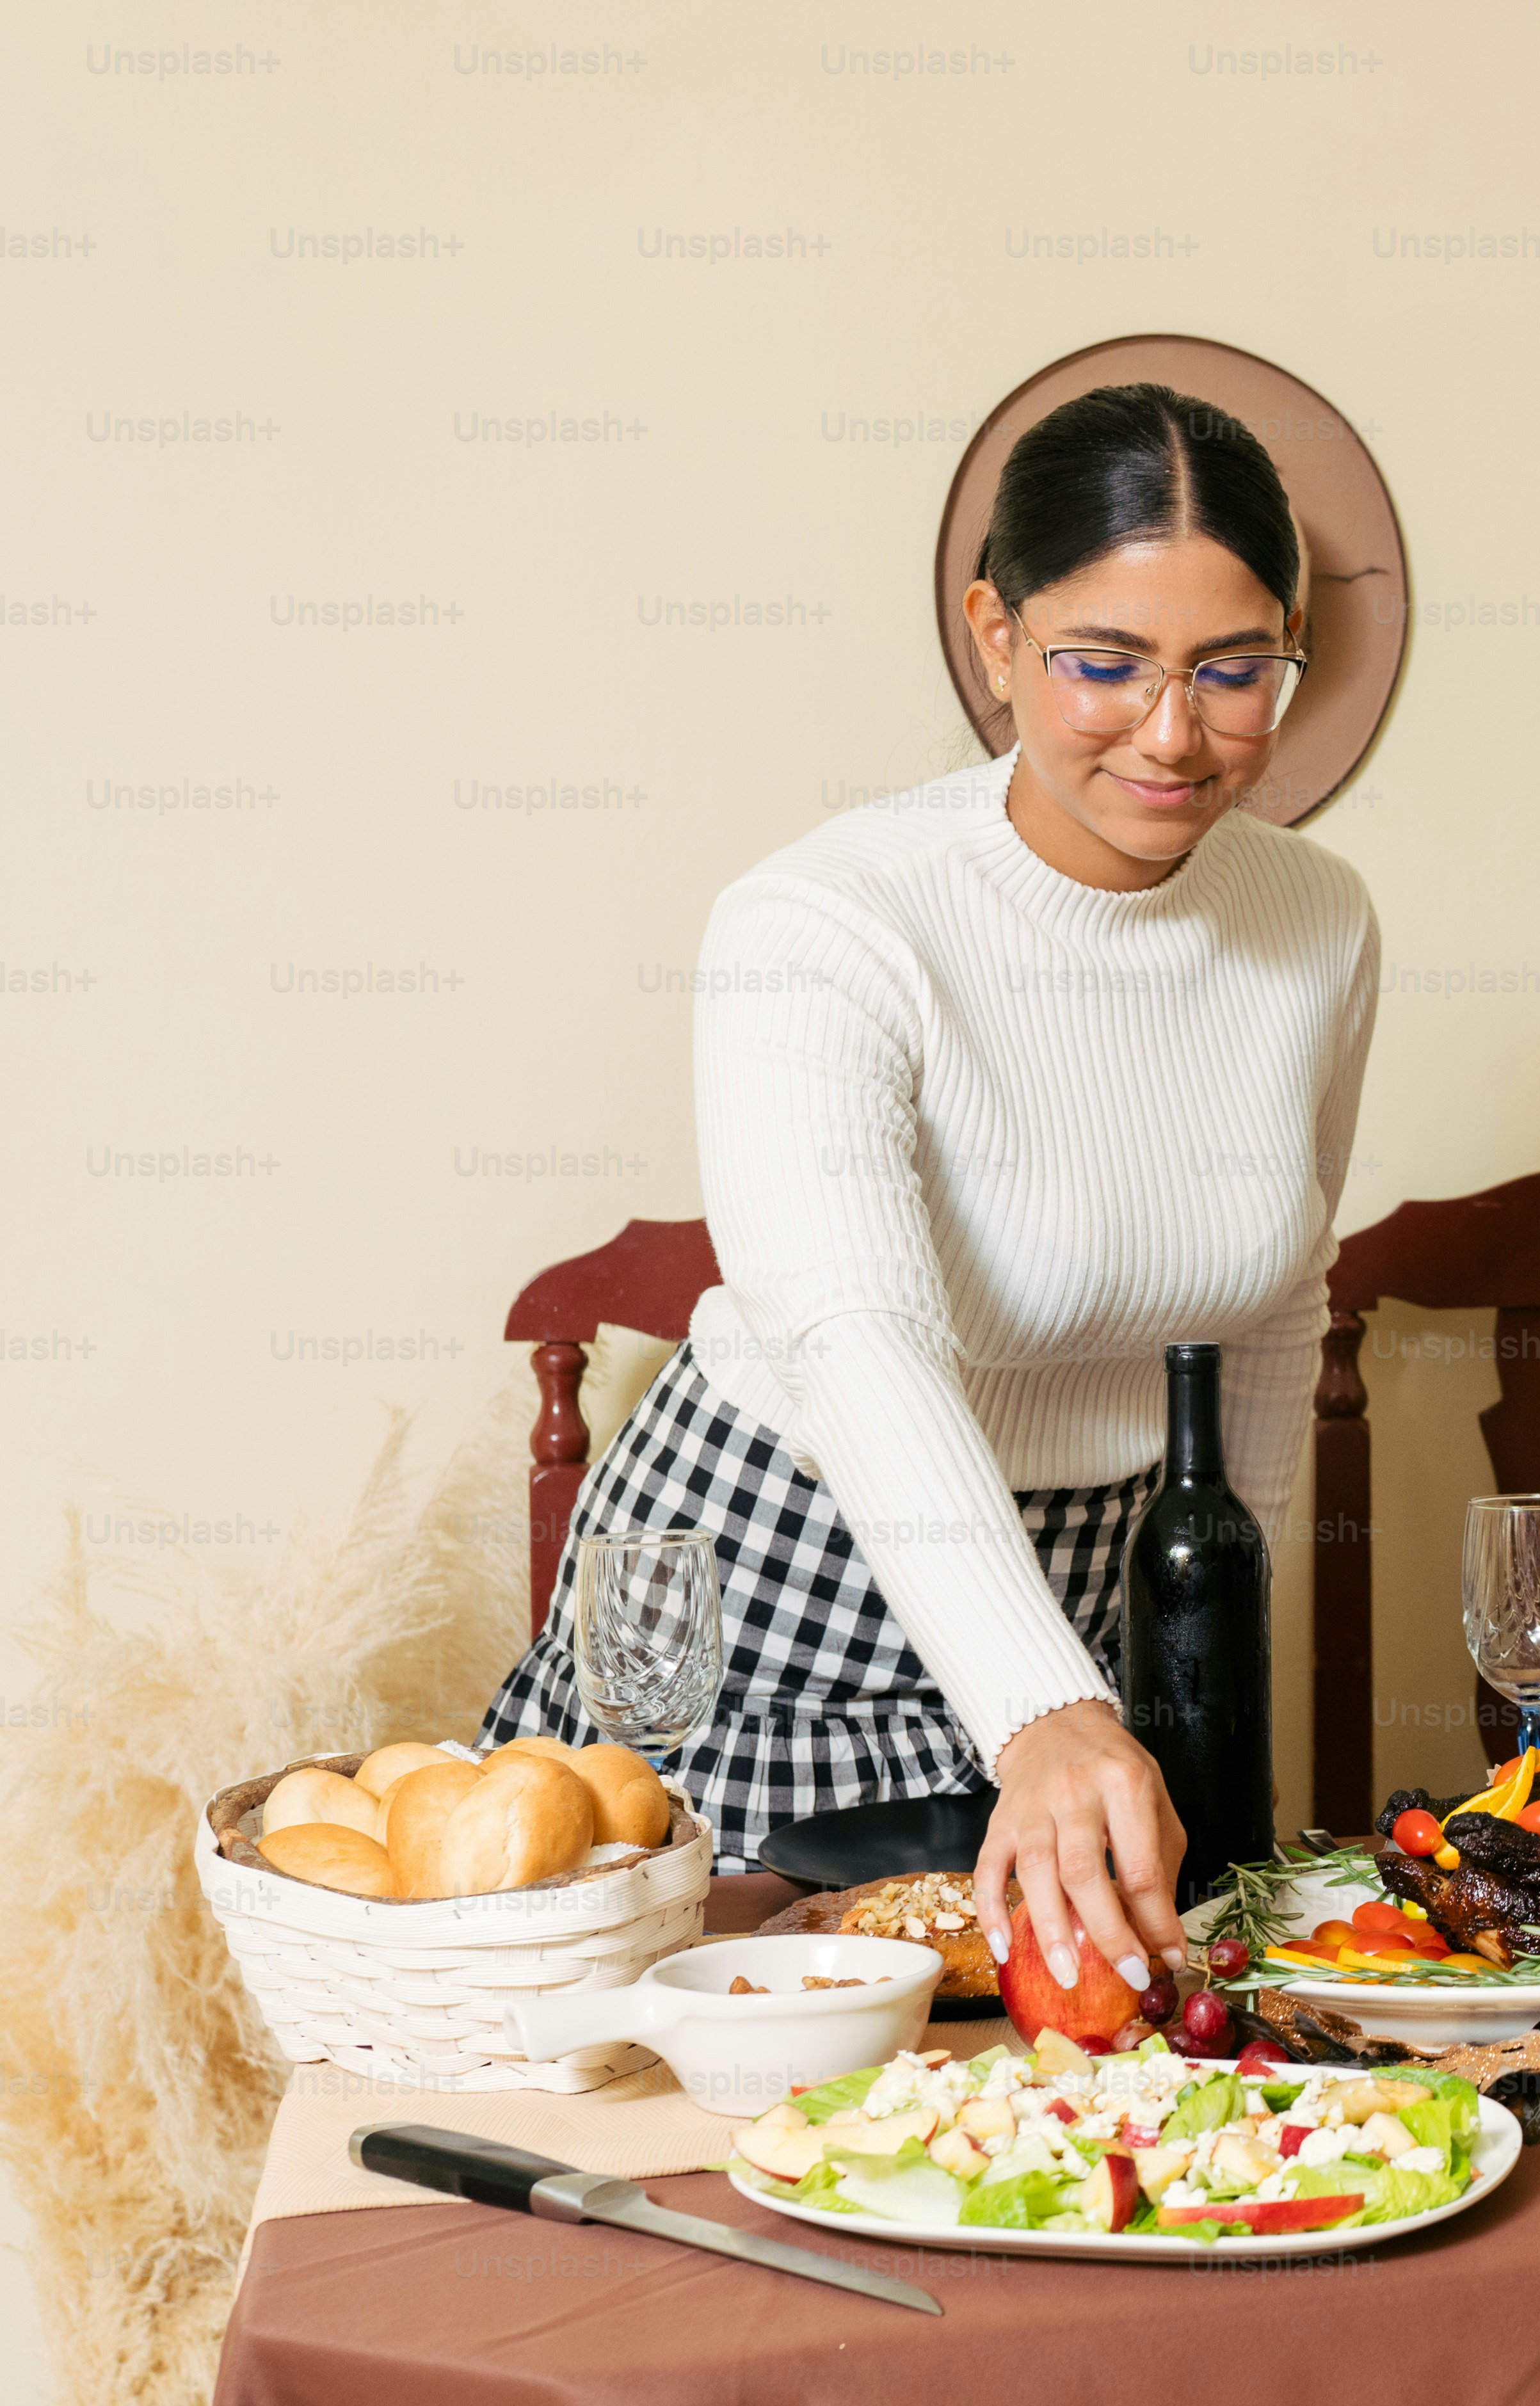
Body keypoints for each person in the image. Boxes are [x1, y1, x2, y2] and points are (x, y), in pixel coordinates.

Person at [481, 383, 1377, 2004]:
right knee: (743, 2070)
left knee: (1089, 2066)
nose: (1171, 735)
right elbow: (859, 1341)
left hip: (1095, 1594)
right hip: (783, 1579)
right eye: (1103, 664)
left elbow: (1273, 1304)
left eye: (1234, 671)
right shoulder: (825, 921)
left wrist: (1205, 1701)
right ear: (994, 634)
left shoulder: (1319, 923)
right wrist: (1040, 1710)